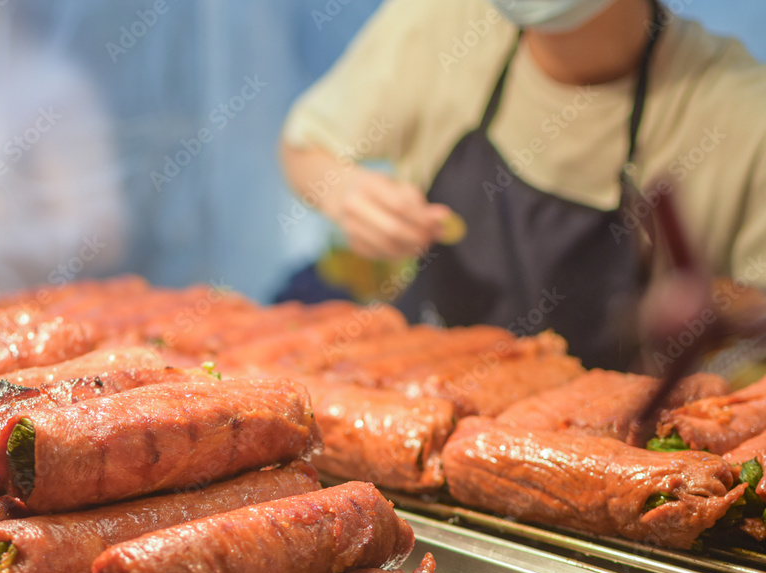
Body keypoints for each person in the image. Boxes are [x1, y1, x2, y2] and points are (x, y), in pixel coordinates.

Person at [279, 0, 766, 370]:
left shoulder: (742, 113)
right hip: (417, 396)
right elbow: (305, 144)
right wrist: (346, 193)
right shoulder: (437, 20)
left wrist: (723, 309)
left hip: (617, 456)